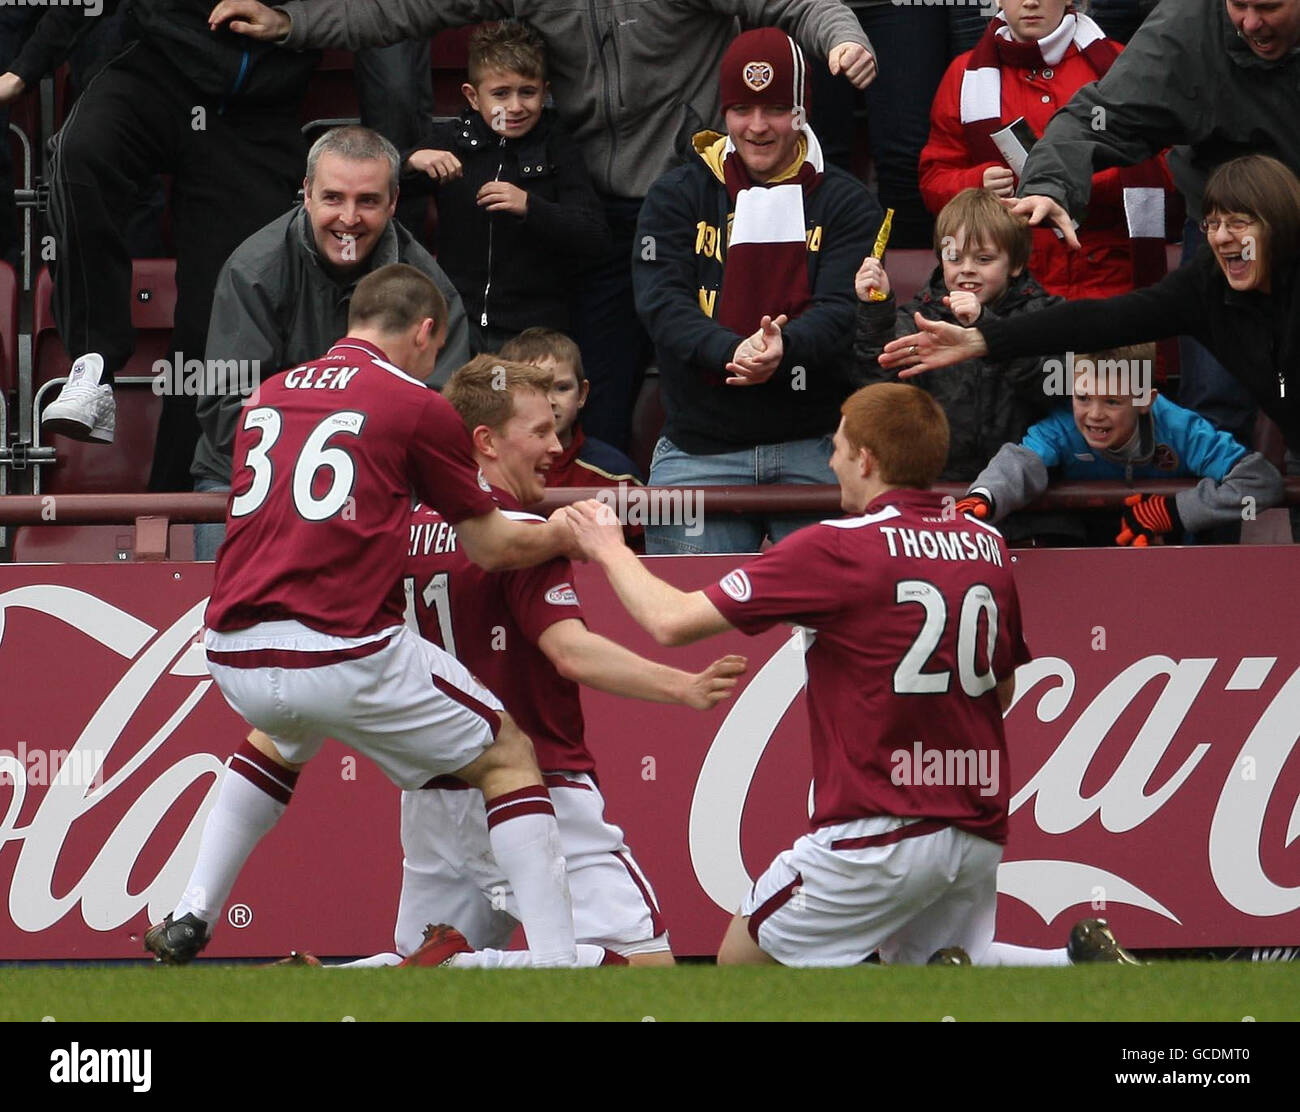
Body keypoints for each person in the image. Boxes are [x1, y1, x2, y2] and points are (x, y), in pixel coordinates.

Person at [145, 265, 599, 968]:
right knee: (508, 753)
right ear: (425, 331)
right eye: (436, 345)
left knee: (279, 735)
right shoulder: (416, 405)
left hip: (232, 646)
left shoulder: (268, 393)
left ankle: (193, 910)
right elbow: (490, 542)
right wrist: (569, 532)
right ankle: (561, 963)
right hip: (341, 647)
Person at [208, 0, 878, 453]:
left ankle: (714, 534)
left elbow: (796, 5)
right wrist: (293, 22)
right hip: (584, 211)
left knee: (714, 374)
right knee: (598, 407)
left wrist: (842, 37)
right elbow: (407, 7)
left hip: (694, 202)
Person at [563, 382, 1030, 966]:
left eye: (837, 447)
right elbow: (1001, 687)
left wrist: (609, 548)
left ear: (866, 458)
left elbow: (670, 622)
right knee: (940, 978)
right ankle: (1075, 964)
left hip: (878, 827)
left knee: (741, 963)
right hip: (977, 824)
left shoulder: (837, 547)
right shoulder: (985, 542)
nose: (831, 461)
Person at [320, 356, 746, 970]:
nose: (557, 446)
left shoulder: (397, 533)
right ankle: (425, 968)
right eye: (540, 432)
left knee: (423, 995)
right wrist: (680, 685)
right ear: (485, 443)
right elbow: (569, 651)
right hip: (534, 787)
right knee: (644, 971)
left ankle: (412, 970)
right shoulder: (521, 533)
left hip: (433, 798)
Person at [4, 1, 317, 496]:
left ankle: (183, 501)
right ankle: (94, 365)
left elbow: (369, 14)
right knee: (81, 151)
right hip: (160, 69)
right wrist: (23, 71)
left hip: (256, 108)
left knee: (215, 319)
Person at [1005, 0, 1300, 447]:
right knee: (1214, 413)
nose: (1251, 22)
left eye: (1269, 6)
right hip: (1229, 236)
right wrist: (1049, 184)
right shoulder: (1186, 29)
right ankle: (1212, 509)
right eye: (1239, 5)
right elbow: (1100, 117)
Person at [634, 27, 880, 554]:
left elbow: (843, 311)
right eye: (742, 109)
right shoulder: (677, 194)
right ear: (723, 112)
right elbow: (661, 304)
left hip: (818, 446)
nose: (758, 126)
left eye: (775, 109)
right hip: (699, 450)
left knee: (834, 630)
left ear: (803, 112)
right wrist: (733, 349)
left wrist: (783, 348)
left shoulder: (846, 202)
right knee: (689, 630)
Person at [880, 155, 1300, 464]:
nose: (1223, 237)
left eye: (1240, 222)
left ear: (1279, 224)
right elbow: (1099, 321)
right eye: (1213, 224)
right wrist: (983, 339)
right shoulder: (1206, 284)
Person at [190, 125, 471, 561]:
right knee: (227, 611)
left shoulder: (428, 289)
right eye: (334, 197)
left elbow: (441, 416)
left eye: (369, 201)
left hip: (380, 485)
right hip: (247, 477)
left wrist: (347, 467)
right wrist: (329, 460)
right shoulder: (252, 272)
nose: (349, 218)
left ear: (394, 201)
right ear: (306, 193)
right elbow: (225, 410)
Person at [918, 0, 1173, 302]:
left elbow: (1171, 163)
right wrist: (978, 185)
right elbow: (934, 180)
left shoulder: (1123, 63)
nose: (1030, 2)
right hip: (1015, 292)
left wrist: (1078, 183)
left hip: (1113, 278)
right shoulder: (962, 74)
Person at [401, 22, 609, 354]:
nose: (514, 107)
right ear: (472, 96)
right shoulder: (451, 143)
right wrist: (410, 163)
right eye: (500, 93)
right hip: (458, 324)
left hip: (534, 332)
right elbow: (379, 190)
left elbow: (594, 235)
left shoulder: (558, 147)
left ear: (545, 92)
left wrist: (530, 206)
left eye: (527, 92)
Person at [957, 344, 1284, 545]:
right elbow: (1020, 462)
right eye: (1083, 397)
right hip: (1085, 560)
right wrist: (983, 495)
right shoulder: (1063, 426)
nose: (1094, 415)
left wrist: (1176, 511)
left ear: (1146, 400)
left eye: (1112, 401)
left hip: (1174, 562)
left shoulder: (1182, 429)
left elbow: (1262, 483)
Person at [854, 188, 1062, 504]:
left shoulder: (1047, 315)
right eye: (954, 257)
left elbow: (1055, 391)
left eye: (984, 259)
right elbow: (877, 387)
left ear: (1016, 264)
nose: (966, 268)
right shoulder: (917, 319)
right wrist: (877, 311)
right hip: (935, 495)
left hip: (1032, 499)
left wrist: (987, 328)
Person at [499, 329, 642, 488]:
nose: (550, 401)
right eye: (535, 389)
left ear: (582, 394)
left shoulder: (616, 475)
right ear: (506, 397)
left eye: (562, 388)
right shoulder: (489, 471)